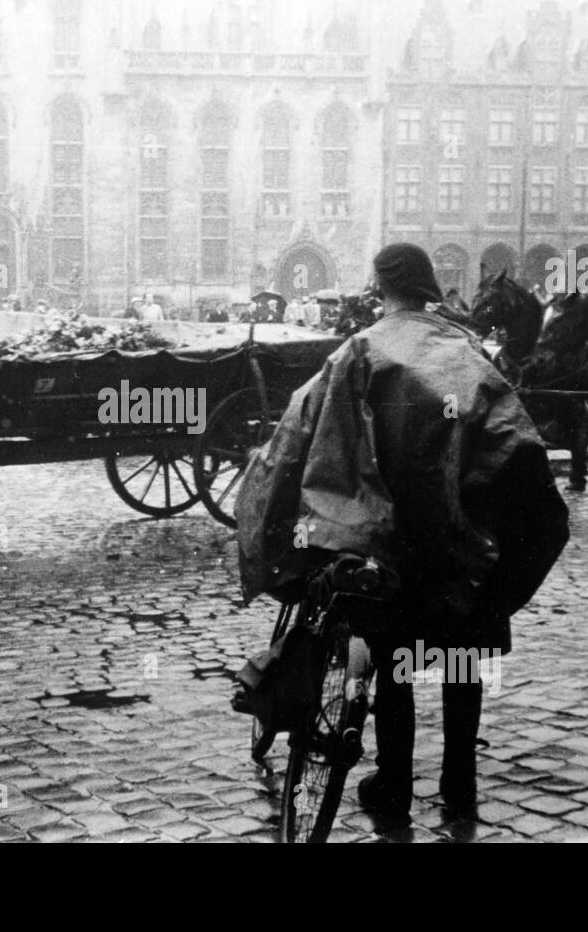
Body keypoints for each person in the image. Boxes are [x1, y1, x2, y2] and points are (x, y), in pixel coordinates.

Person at [236, 241, 569, 820]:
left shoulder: (361, 351)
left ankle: (393, 787)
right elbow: (516, 447)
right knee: (462, 668)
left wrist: (269, 522)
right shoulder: (469, 352)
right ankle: (460, 792)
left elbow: (300, 439)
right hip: (469, 550)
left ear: (379, 286)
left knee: (396, 670)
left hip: (392, 549)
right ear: (428, 286)